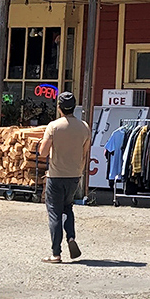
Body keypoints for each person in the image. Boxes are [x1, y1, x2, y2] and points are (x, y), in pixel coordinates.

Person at [38, 91, 91, 263]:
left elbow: (43, 152)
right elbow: (85, 153)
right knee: (68, 208)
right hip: (74, 175)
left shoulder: (53, 126)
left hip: (56, 175)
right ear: (74, 107)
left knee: (54, 213)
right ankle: (71, 237)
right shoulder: (84, 127)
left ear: (59, 107)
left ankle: (56, 253)